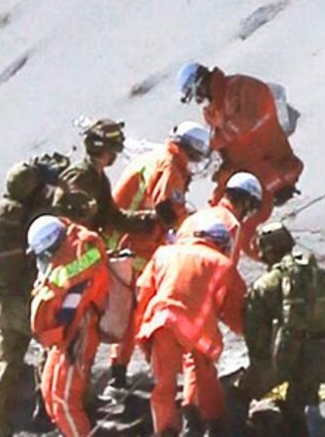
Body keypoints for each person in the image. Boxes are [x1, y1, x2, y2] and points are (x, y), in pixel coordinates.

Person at [105, 124, 214, 380]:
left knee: (134, 307)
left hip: (129, 237)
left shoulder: (157, 158)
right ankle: (153, 368)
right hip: (132, 243)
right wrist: (190, 227)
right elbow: (166, 208)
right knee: (146, 304)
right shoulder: (170, 167)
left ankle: (121, 370)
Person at [0, 147, 75, 437]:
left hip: (4, 301)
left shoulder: (1, 215)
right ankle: (47, 412)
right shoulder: (32, 219)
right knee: (53, 350)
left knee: (7, 367)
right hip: (27, 301)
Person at [135, 210, 248, 437]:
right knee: (202, 374)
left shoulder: (164, 253)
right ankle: (205, 422)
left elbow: (144, 292)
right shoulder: (223, 265)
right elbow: (234, 312)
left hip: (162, 323)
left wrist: (142, 333)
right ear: (220, 243)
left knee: (163, 386)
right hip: (197, 331)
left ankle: (166, 431)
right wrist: (250, 334)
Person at [242, 220, 325, 434]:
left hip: (287, 358)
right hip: (323, 355)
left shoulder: (265, 285)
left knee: (238, 395)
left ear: (266, 252)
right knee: (302, 397)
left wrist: (264, 366)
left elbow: (254, 335)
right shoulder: (320, 274)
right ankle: (307, 409)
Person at [27, 216, 112, 437]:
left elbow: (73, 289)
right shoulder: (67, 256)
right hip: (63, 335)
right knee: (50, 392)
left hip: (77, 331)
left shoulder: (84, 251)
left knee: (64, 400)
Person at [179, 60, 306, 209]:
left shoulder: (240, 87)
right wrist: (218, 167)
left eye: (197, 96)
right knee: (220, 205)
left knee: (243, 204)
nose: (199, 101)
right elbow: (225, 149)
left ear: (201, 84)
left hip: (274, 165)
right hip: (249, 171)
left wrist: (215, 141)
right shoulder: (210, 112)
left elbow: (251, 120)